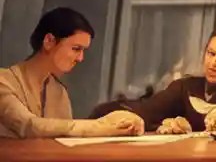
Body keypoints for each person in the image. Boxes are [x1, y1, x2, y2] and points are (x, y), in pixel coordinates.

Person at [0, 8, 144, 138]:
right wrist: (102, 126)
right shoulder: (4, 81)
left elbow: (66, 142)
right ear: (49, 41)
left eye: (83, 51)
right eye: (76, 49)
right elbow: (29, 126)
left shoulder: (58, 92)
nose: (81, 58)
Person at [125, 25, 216, 133]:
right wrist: (168, 124)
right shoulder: (184, 87)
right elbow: (145, 112)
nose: (213, 63)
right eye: (211, 54)